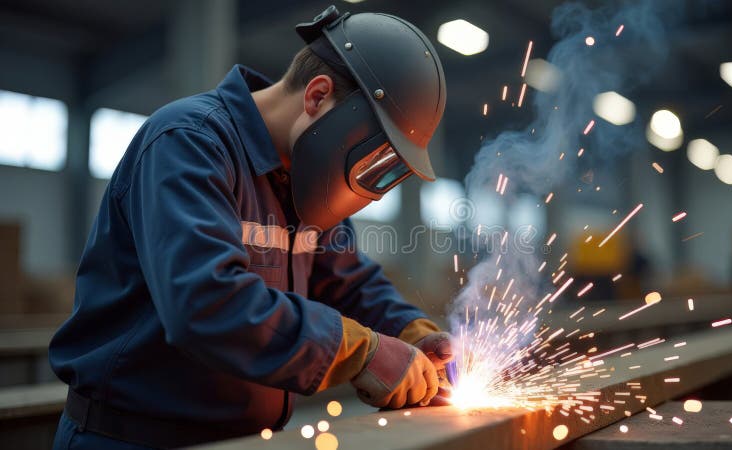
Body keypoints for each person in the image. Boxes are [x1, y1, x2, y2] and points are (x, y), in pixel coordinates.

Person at [49, 6, 451, 449]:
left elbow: (349, 282)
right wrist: (360, 350)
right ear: (317, 97)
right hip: (131, 438)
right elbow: (206, 302)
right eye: (372, 157)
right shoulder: (190, 143)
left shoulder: (306, 181)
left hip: (243, 440)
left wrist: (412, 331)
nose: (371, 183)